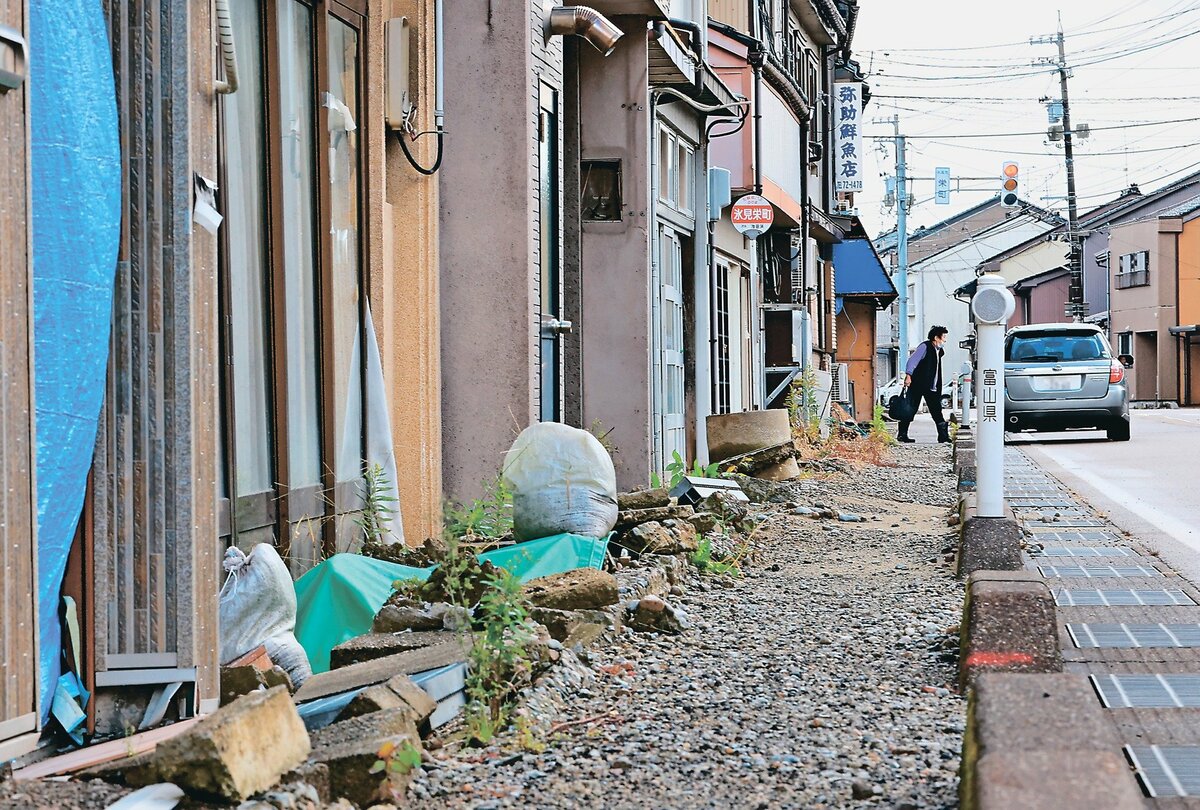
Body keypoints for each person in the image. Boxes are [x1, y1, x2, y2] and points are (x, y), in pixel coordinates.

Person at [898, 325, 950, 444]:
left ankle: (943, 436)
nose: (945, 340)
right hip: (918, 384)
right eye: (943, 337)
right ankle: (902, 435)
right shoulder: (925, 346)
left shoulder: (938, 351)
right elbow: (912, 361)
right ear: (936, 338)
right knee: (910, 408)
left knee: (936, 410)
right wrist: (909, 375)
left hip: (932, 386)